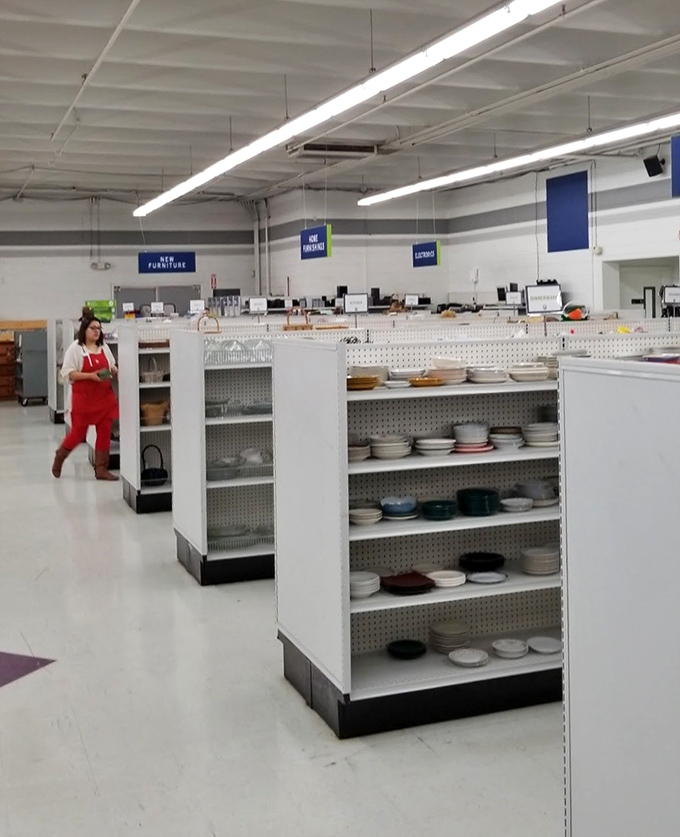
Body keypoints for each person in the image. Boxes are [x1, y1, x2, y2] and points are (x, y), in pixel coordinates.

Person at [52, 316, 119, 481]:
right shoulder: (75, 349)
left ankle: (101, 469)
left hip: (105, 399)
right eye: (93, 328)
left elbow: (111, 364)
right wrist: (90, 376)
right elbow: (68, 373)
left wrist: (114, 370)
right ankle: (60, 457)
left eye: (99, 328)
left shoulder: (104, 347)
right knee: (77, 434)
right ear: (84, 330)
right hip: (84, 399)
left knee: (104, 432)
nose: (97, 331)